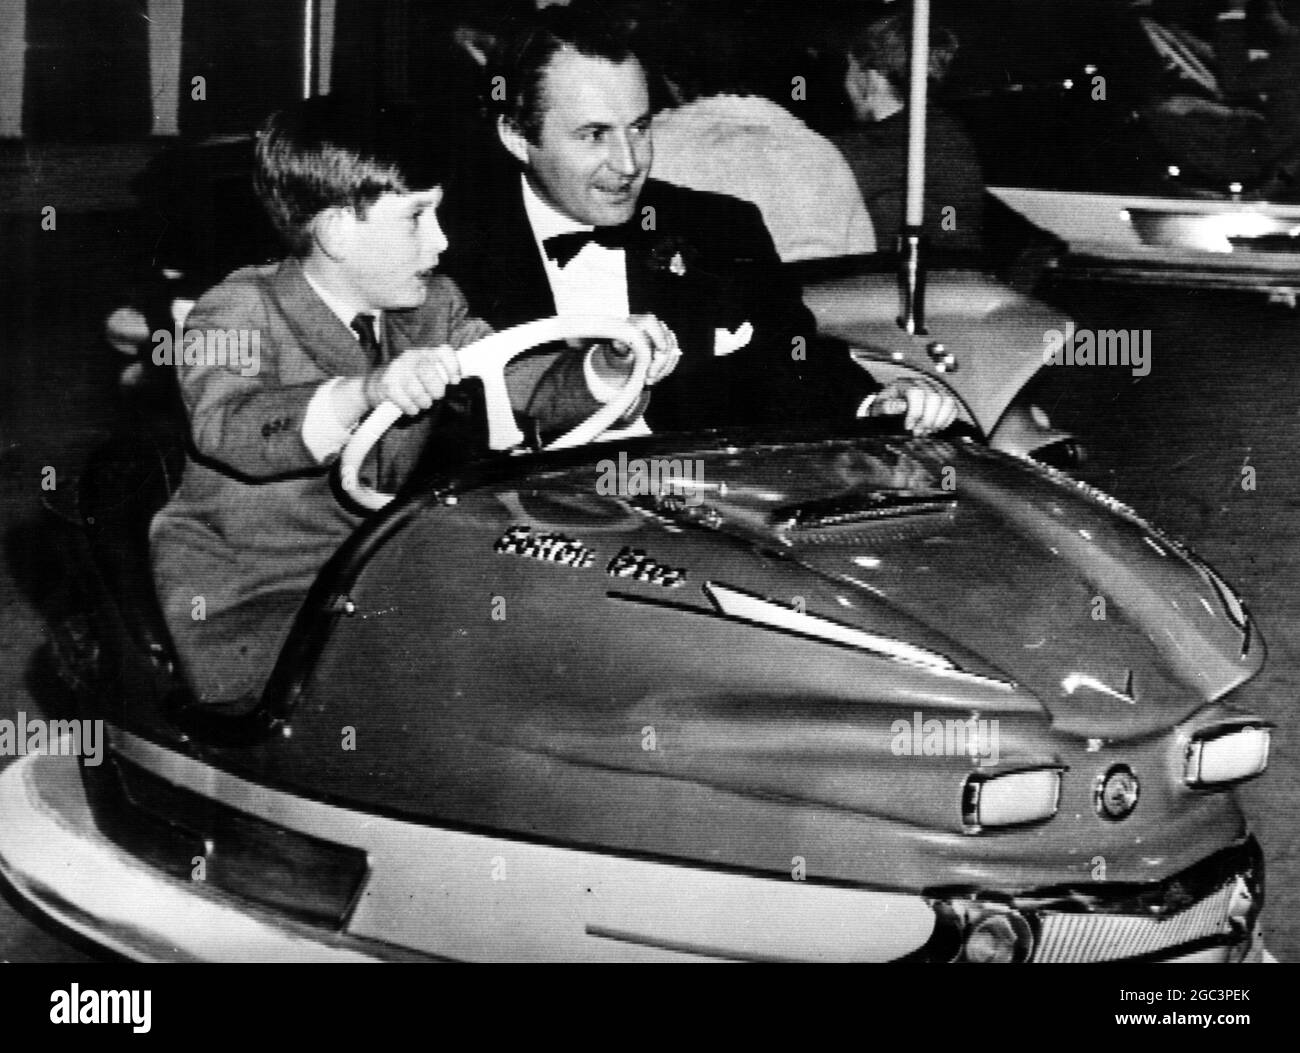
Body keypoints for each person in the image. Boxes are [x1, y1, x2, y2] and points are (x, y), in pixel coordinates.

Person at [150, 95, 678, 705]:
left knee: (565, 618)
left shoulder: (433, 307)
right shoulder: (240, 309)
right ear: (336, 230)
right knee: (461, 675)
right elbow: (229, 425)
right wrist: (363, 391)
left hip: (383, 566)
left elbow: (529, 385)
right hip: (257, 592)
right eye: (417, 217)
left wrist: (610, 364)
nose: (442, 240)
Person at [439, 3, 956, 436]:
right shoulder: (445, 249)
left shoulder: (717, 228)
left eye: (639, 128)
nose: (629, 163)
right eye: (594, 135)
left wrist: (873, 407)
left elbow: (794, 365)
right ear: (516, 136)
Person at [647, 18, 877, 262]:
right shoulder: (820, 152)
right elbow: (861, 267)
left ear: (671, 78)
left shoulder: (648, 149)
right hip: (817, 297)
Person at [832, 14, 985, 253]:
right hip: (960, 276)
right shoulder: (949, 133)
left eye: (849, 70)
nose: (846, 83)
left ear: (870, 76)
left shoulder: (860, 151)